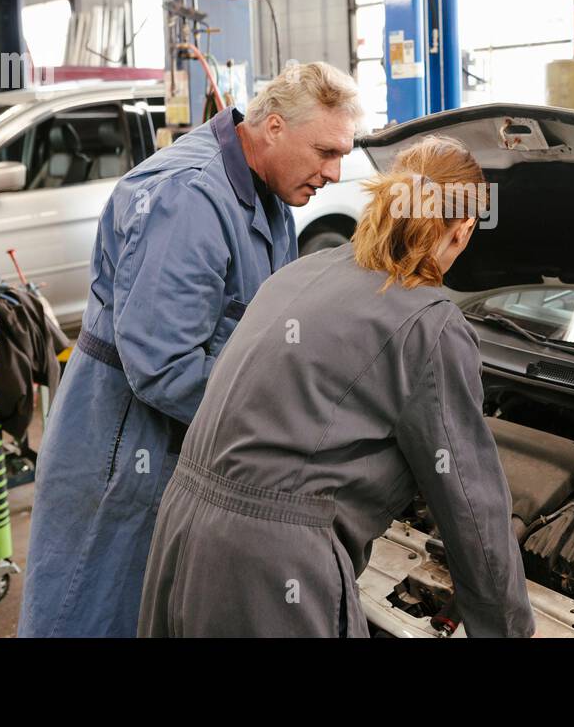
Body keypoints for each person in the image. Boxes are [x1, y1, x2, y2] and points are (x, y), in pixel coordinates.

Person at [138, 135, 536, 638]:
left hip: (181, 530)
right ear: (463, 229)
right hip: (271, 565)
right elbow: (472, 509)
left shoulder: (304, 270)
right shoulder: (429, 323)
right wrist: (509, 627)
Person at [18, 62, 362, 637]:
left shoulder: (268, 187)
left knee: (147, 611)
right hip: (123, 450)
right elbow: (164, 367)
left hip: (182, 443)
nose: (334, 172)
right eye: (325, 152)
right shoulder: (190, 198)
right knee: (90, 610)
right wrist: (278, 424)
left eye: (343, 154)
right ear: (273, 127)